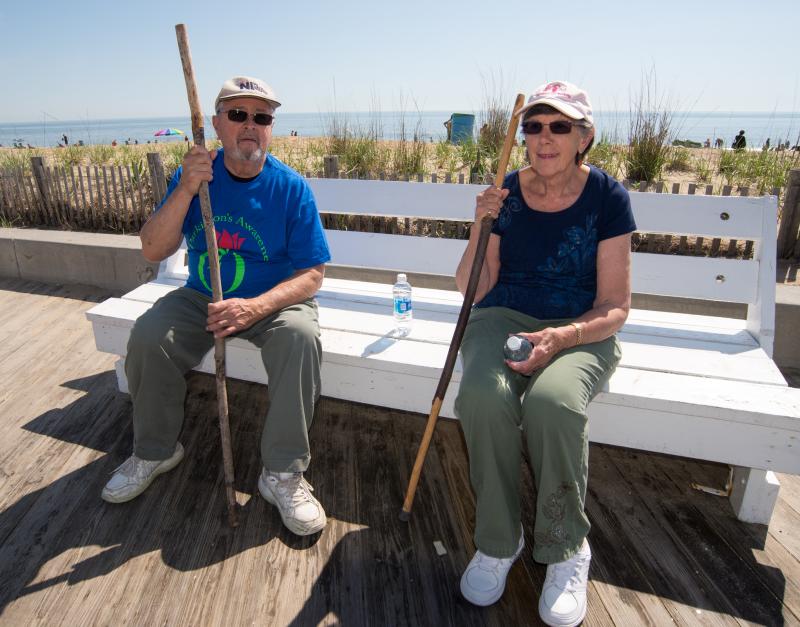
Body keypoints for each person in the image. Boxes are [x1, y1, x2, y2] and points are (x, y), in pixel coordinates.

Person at [101, 75, 332, 537]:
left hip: (272, 301)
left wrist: (254, 307)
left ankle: (282, 473)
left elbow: (312, 275)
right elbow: (151, 249)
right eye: (238, 114)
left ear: (271, 128)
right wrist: (185, 189)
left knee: (300, 339)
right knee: (148, 336)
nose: (250, 125)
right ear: (216, 124)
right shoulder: (196, 178)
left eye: (262, 117)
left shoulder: (291, 189)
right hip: (201, 297)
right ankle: (155, 450)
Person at [454, 80, 635, 626]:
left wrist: (562, 338)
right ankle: (497, 541)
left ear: (585, 136)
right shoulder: (506, 191)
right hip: (502, 317)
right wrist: (479, 227)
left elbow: (615, 306)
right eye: (533, 126)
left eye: (560, 126)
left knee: (552, 404)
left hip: (581, 329)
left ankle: (564, 548)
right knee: (483, 399)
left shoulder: (607, 197)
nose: (544, 137)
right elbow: (473, 291)